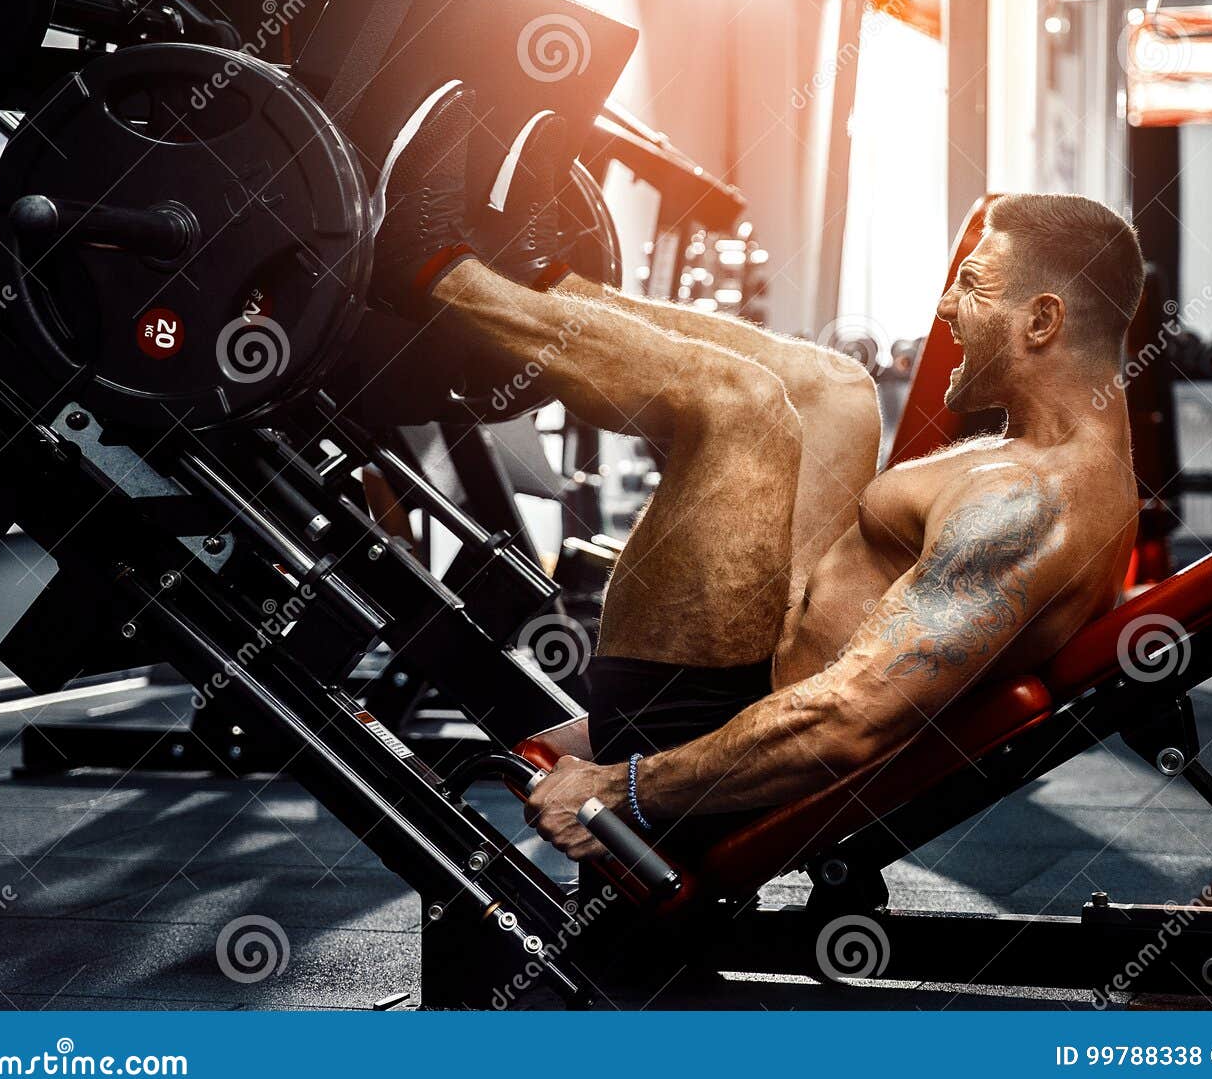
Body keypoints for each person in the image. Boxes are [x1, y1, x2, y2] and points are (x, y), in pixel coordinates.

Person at [371, 83, 1145, 860]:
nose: (945, 306)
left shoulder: (1028, 508)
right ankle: (547, 285)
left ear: (1042, 320)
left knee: (739, 403)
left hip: (711, 735)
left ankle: (428, 268)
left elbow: (849, 719)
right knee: (836, 389)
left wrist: (621, 786)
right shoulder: (1059, 460)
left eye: (972, 287)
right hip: (763, 675)